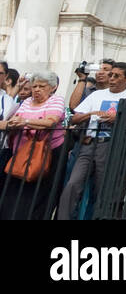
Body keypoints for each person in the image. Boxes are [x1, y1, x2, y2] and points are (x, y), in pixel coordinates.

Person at [57, 61, 126, 220]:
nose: (111, 78)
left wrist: (118, 117)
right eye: (111, 74)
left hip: (111, 146)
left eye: (116, 76)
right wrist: (93, 113)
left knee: (103, 190)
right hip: (89, 144)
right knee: (73, 184)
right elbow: (75, 117)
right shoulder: (97, 94)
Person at [0, 70, 67, 219]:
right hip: (21, 154)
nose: (37, 89)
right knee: (13, 192)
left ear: (52, 87)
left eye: (42, 86)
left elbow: (50, 121)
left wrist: (26, 122)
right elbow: (16, 119)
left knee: (37, 193)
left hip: (45, 154)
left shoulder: (56, 100)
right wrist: (15, 122)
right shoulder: (26, 102)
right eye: (35, 86)